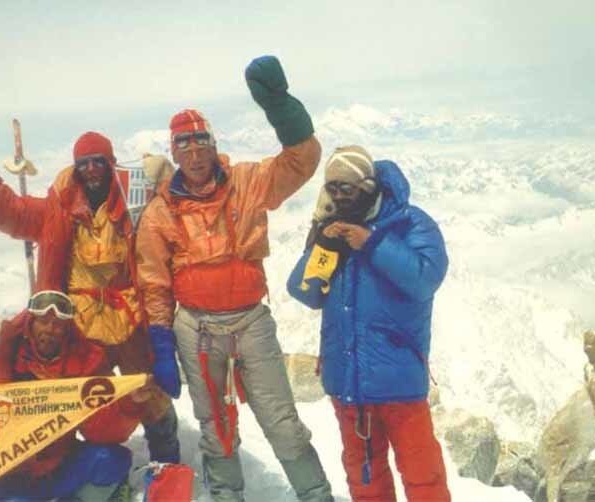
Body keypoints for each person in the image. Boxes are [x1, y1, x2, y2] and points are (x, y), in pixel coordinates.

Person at [135, 56, 333, 502]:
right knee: (215, 425)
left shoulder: (247, 182)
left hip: (250, 322)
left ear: (212, 143)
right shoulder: (161, 211)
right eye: (183, 144)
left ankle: (316, 495)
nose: (193, 151)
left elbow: (302, 161)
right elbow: (154, 283)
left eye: (199, 141)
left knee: (280, 419)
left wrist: (280, 106)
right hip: (197, 329)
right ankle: (226, 495)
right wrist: (162, 342)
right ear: (174, 152)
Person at [0, 131, 181, 464]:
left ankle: (165, 458)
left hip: (129, 319)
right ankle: (76, 464)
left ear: (111, 164)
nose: (93, 169)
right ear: (77, 168)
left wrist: (165, 176)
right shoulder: (59, 210)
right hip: (78, 326)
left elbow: (177, 208)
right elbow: (12, 210)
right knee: (83, 400)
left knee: (148, 389)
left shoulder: (135, 202)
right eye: (85, 163)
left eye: (100, 162)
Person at [287, 145, 452, 502]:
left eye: (348, 188)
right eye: (332, 188)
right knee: (364, 476)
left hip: (397, 378)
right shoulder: (331, 230)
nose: (340, 196)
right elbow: (305, 293)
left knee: (423, 474)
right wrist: (322, 245)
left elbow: (424, 279)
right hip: (348, 380)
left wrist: (373, 242)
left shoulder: (410, 223)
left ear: (369, 185)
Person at [0, 290, 149, 501]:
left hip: (55, 467)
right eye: (43, 321)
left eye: (58, 325)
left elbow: (101, 432)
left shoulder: (82, 367)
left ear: (67, 331)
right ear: (29, 325)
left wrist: (129, 404)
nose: (50, 329)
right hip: (4, 476)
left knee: (112, 460)